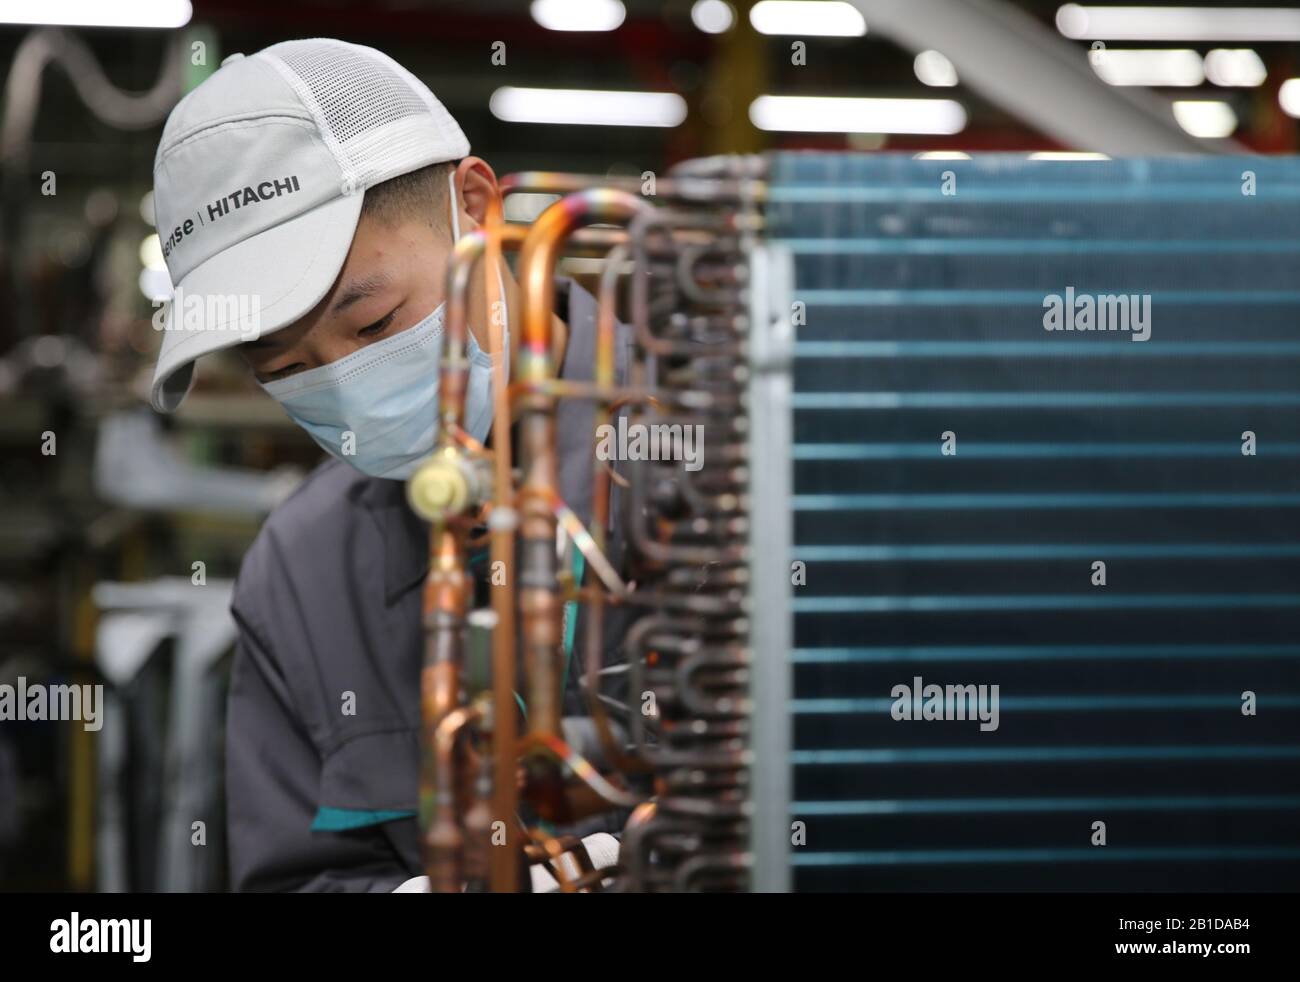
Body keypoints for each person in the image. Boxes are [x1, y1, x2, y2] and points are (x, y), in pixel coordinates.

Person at [148, 38, 632, 891]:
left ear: (475, 208)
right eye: (286, 369)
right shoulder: (299, 574)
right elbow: (297, 877)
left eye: (372, 325)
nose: (347, 384)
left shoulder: (736, 463)